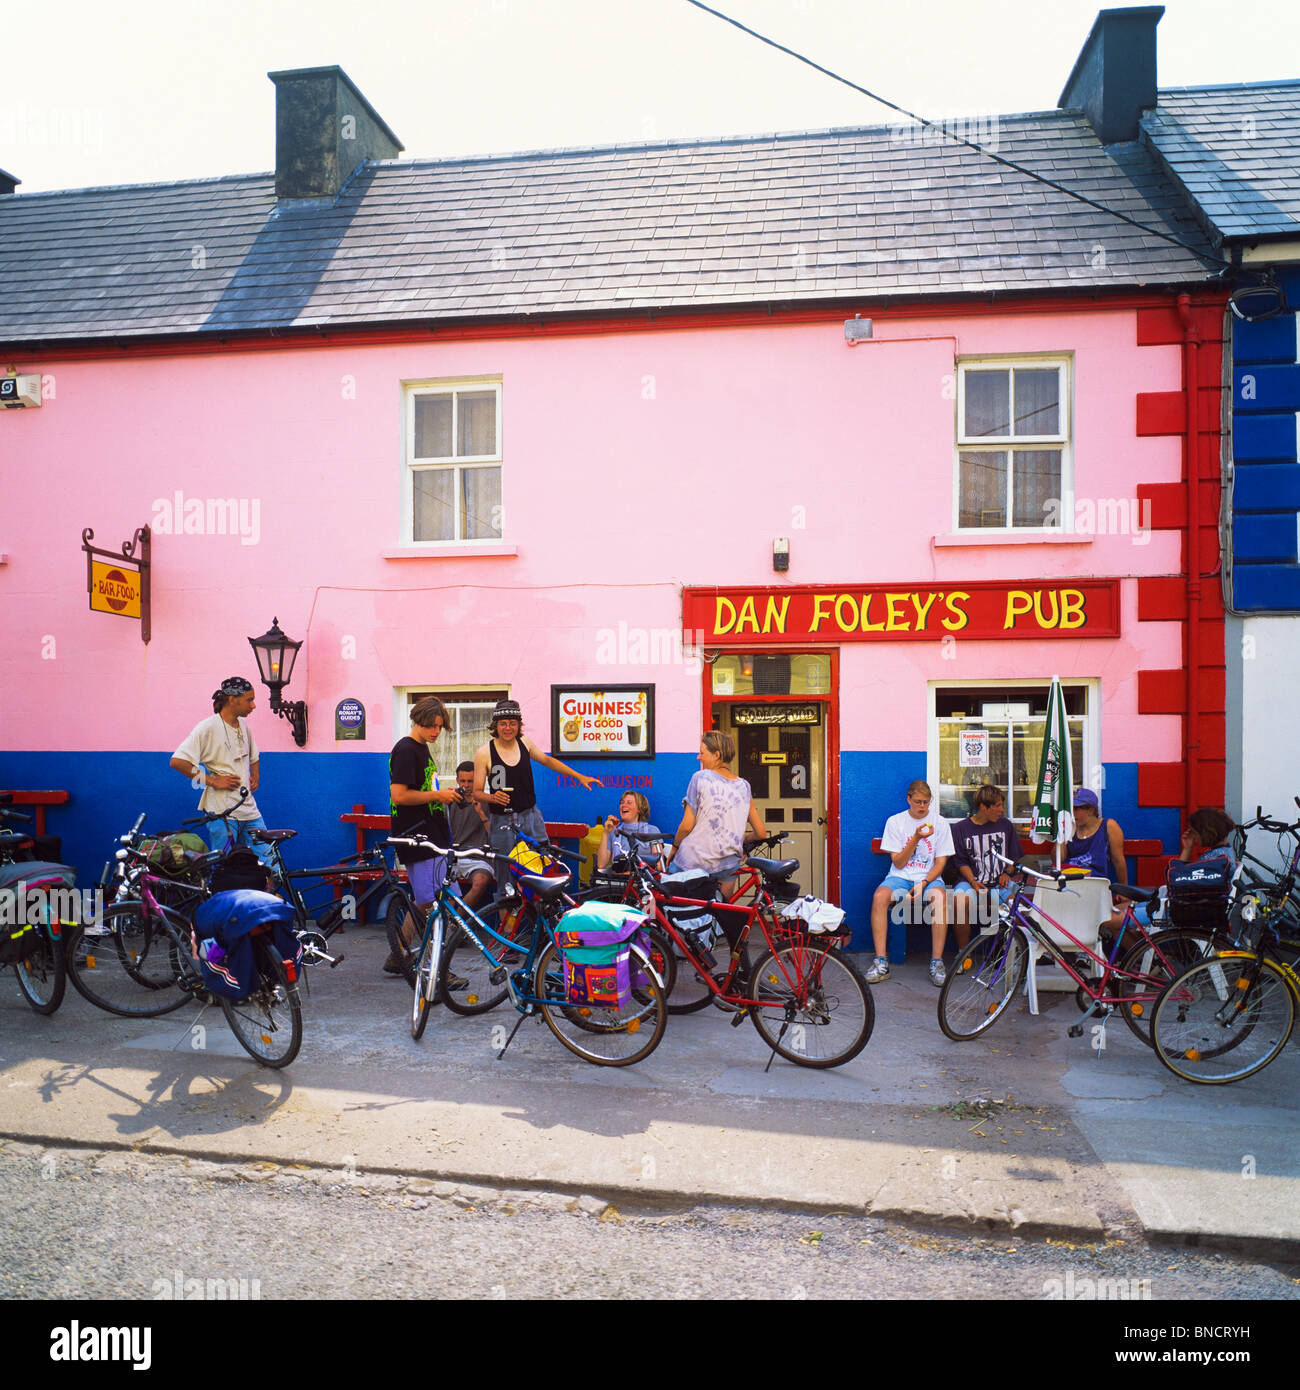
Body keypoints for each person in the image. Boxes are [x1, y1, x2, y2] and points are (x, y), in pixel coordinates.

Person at [386, 695, 463, 975]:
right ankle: (435, 971)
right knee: (440, 906)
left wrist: (444, 798)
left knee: (431, 900)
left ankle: (399, 952)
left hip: (432, 839)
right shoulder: (406, 750)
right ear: (416, 720)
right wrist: (439, 795)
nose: (435, 731)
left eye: (440, 726)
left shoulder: (420, 748)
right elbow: (400, 795)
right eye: (430, 725)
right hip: (417, 839)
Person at [473, 699, 598, 856]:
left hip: (530, 817)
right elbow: (476, 793)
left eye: (512, 723)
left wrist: (579, 776)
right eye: (503, 723)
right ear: (495, 726)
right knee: (506, 873)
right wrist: (492, 797)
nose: (508, 728)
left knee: (539, 866)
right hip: (502, 822)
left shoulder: (525, 743)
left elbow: (547, 760)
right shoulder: (484, 753)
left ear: (519, 725)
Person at [170, 676, 269, 859]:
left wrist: (255, 775)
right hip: (222, 814)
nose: (253, 705)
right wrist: (213, 781)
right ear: (232, 700)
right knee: (225, 867)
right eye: (249, 700)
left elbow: (254, 756)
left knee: (268, 864)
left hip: (249, 811)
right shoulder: (207, 727)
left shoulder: (244, 725)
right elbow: (177, 761)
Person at [868, 779, 955, 987]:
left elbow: (941, 862)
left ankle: (936, 962)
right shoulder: (895, 822)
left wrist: (924, 883)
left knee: (940, 899)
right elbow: (898, 861)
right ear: (908, 799)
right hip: (900, 876)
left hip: (929, 877)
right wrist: (915, 838)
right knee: (879, 897)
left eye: (926, 802)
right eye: (917, 802)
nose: (922, 806)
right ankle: (881, 962)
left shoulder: (940, 823)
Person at [666, 731, 766, 886]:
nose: (699, 757)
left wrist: (675, 847)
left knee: (670, 905)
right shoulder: (744, 786)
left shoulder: (700, 778)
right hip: (728, 863)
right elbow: (760, 833)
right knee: (721, 909)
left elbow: (686, 826)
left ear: (716, 755)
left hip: (694, 860)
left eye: (702, 753)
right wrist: (742, 840)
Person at [949, 783, 1020, 946]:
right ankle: (963, 955)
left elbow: (1014, 859)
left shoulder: (1005, 825)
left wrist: (1007, 873)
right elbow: (961, 862)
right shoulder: (961, 828)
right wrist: (973, 882)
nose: (1002, 810)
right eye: (997, 806)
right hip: (971, 882)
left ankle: (1005, 954)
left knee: (1014, 903)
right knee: (959, 902)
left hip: (999, 884)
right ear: (983, 807)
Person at [447, 760, 495, 911]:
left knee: (481, 882)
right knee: (442, 887)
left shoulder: (488, 802)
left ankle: (456, 924)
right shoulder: (449, 801)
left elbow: (494, 837)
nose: (466, 785)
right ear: (457, 781)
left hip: (478, 857)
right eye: (462, 781)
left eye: (470, 781)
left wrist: (481, 813)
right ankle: (447, 927)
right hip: (453, 857)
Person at [1064, 788, 1128, 884]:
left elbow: (1118, 861)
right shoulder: (1071, 828)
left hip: (1095, 881)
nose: (1072, 813)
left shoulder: (1109, 826)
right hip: (1068, 879)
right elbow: (1057, 859)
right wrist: (1061, 836)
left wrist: (1124, 892)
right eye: (1071, 809)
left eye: (1076, 809)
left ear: (1090, 810)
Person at [596, 791, 662, 871]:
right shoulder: (614, 832)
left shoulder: (652, 831)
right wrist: (606, 833)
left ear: (639, 809)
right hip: (619, 880)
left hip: (642, 879)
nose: (623, 805)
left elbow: (659, 866)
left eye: (629, 803)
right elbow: (601, 864)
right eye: (622, 802)